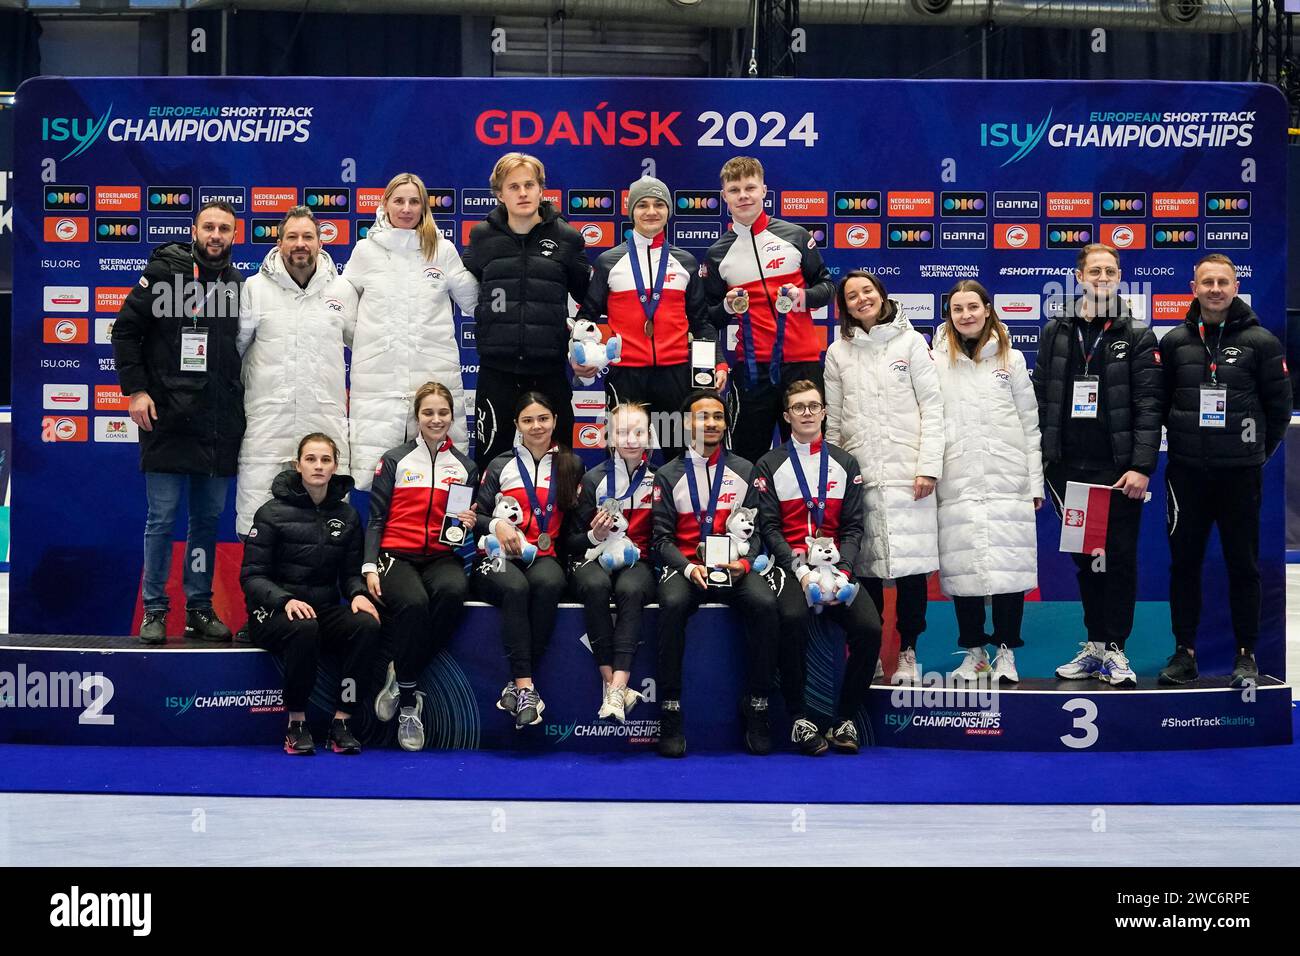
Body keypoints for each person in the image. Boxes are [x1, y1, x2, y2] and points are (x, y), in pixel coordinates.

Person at [112, 199, 246, 644]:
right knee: (162, 520)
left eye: (224, 229)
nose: (215, 236)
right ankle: (154, 608)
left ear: (234, 235)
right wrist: (136, 390)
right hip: (166, 418)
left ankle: (199, 607)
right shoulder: (164, 273)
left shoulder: (237, 284)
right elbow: (125, 330)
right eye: (208, 227)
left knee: (206, 521)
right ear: (194, 231)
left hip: (217, 424)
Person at [1157, 255, 1292, 687]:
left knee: (1243, 566)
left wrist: (1252, 454)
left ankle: (1246, 655)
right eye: (1207, 282)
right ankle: (1185, 654)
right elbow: (1159, 404)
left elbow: (1279, 409)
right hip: (1186, 475)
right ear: (1193, 288)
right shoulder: (1174, 342)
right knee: (1184, 566)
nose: (1214, 289)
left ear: (1235, 287)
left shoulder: (1262, 342)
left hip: (1240, 476)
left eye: (1222, 282)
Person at [1034, 243, 1162, 688]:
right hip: (1070, 470)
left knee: (1119, 560)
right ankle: (1094, 646)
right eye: (1095, 271)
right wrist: (1044, 460)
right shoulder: (1057, 330)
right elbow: (1041, 396)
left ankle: (1116, 650)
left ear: (1119, 276)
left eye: (1110, 271)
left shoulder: (1138, 334)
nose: (1103, 278)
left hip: (1118, 472)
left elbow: (1149, 405)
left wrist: (1141, 465)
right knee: (1088, 561)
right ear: (1080, 277)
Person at [825, 270, 943, 685]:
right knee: (867, 570)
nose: (861, 299)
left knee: (912, 571)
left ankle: (909, 652)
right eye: (852, 295)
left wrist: (928, 467)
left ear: (882, 294)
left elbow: (933, 408)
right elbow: (833, 422)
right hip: (860, 477)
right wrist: (832, 478)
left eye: (867, 291)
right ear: (844, 306)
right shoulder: (837, 352)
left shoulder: (911, 343)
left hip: (909, 476)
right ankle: (870, 652)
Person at [753, 381, 882, 756]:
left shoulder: (845, 463)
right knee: (792, 618)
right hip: (791, 568)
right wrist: (800, 570)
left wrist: (843, 572)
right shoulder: (769, 464)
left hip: (836, 568)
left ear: (824, 412)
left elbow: (854, 527)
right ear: (786, 416)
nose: (807, 413)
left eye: (813, 406)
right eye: (798, 407)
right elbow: (769, 528)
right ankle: (799, 718)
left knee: (869, 628)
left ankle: (845, 717)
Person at [652, 388, 781, 757]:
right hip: (689, 568)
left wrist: (745, 564)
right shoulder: (667, 474)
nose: (711, 423)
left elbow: (758, 531)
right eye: (702, 416)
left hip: (734, 568)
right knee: (671, 604)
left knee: (765, 604)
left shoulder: (745, 470)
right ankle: (670, 708)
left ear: (726, 424)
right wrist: (688, 566)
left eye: (718, 417)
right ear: (685, 424)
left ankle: (757, 702)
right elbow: (660, 539)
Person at [240, 433, 381, 756]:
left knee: (366, 624)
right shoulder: (271, 513)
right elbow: (251, 576)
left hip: (322, 610)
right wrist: (285, 600)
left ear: (335, 466)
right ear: (298, 465)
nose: (318, 466)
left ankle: (342, 722)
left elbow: (350, 574)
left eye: (325, 460)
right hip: (273, 613)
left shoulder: (346, 516)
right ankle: (296, 724)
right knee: (305, 627)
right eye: (311, 459)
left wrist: (358, 593)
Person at [933, 282, 1043, 681]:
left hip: (1007, 479)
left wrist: (1034, 482)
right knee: (964, 570)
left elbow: (1030, 423)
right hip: (958, 479)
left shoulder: (1011, 359)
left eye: (973, 307)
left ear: (987, 309)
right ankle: (975, 653)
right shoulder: (936, 361)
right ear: (950, 315)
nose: (966, 315)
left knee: (1009, 568)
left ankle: (1006, 654)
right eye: (957, 309)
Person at [364, 383, 479, 751]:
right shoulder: (395, 459)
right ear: (417, 417)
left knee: (453, 592)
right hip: (396, 555)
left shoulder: (464, 466)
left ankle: (401, 675)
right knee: (414, 604)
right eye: (428, 412)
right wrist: (369, 566)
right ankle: (410, 703)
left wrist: (467, 524)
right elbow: (376, 518)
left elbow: (457, 530)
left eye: (443, 412)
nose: (436, 419)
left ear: (452, 417)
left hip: (441, 556)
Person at [579, 175, 727, 461]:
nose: (651, 211)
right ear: (631, 211)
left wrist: (718, 361)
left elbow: (701, 322)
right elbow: (586, 318)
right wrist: (582, 356)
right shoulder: (609, 262)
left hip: (675, 374)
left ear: (668, 211)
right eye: (642, 205)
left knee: (677, 455)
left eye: (659, 205)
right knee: (624, 455)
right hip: (626, 375)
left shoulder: (685, 262)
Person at [345, 172, 478, 487]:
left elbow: (476, 302)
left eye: (414, 202)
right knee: (380, 481)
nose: (406, 209)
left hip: (433, 379)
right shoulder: (365, 251)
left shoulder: (442, 251)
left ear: (424, 207)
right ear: (385, 204)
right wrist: (370, 347)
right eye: (399, 201)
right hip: (379, 383)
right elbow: (342, 311)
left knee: (440, 478)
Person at [701, 156, 835, 464]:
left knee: (810, 456)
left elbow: (827, 287)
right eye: (734, 190)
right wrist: (726, 306)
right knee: (747, 460)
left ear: (764, 190)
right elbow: (707, 319)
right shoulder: (717, 253)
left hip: (802, 366)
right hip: (752, 372)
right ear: (724, 196)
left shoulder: (795, 236)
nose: (743, 196)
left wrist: (803, 297)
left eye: (750, 188)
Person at [462, 153, 592, 468]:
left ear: (541, 190)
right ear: (499, 194)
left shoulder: (567, 238)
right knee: (489, 461)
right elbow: (465, 287)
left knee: (561, 463)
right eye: (513, 187)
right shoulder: (482, 237)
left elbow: (590, 299)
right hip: (497, 369)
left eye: (529, 185)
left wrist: (584, 346)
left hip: (548, 368)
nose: (523, 193)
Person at [235, 205, 358, 536]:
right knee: (257, 524)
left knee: (327, 527)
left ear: (320, 242)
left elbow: (367, 351)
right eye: (292, 237)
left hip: (323, 420)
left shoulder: (342, 290)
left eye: (307, 236)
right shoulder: (254, 289)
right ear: (279, 243)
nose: (300, 243)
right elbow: (234, 351)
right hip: (267, 424)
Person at [473, 391, 584, 729]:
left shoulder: (571, 464)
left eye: (543, 418)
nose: (536, 426)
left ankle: (517, 686)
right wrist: (497, 524)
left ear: (555, 421)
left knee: (550, 583)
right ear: (516, 425)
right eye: (528, 420)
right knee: (515, 588)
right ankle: (526, 688)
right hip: (496, 556)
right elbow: (475, 516)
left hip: (543, 554)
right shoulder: (499, 464)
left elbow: (575, 522)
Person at [568, 402, 658, 721]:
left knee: (630, 590)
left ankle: (617, 686)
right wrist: (595, 535)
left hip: (638, 560)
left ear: (649, 436)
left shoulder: (659, 480)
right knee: (594, 586)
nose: (631, 439)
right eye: (622, 432)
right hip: (595, 558)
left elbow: (663, 536)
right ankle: (614, 687)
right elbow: (571, 541)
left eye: (638, 432)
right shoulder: (593, 479)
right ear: (610, 437)